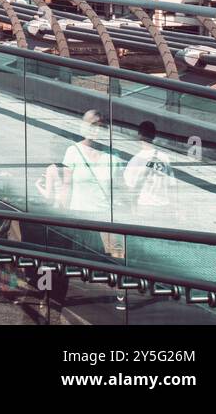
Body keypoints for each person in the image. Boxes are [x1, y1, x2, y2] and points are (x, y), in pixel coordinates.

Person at [61, 109, 127, 309]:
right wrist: (61, 215)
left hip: (104, 214)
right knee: (72, 258)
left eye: (100, 126)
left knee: (116, 253)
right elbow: (66, 186)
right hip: (78, 214)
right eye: (91, 125)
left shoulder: (112, 156)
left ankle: (121, 293)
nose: (95, 130)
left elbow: (120, 189)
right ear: (82, 126)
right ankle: (63, 297)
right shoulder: (73, 151)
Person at [123, 120, 172, 213]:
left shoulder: (135, 160)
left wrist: (133, 209)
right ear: (154, 136)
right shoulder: (165, 158)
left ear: (139, 136)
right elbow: (170, 184)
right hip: (163, 207)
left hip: (145, 207)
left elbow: (130, 187)